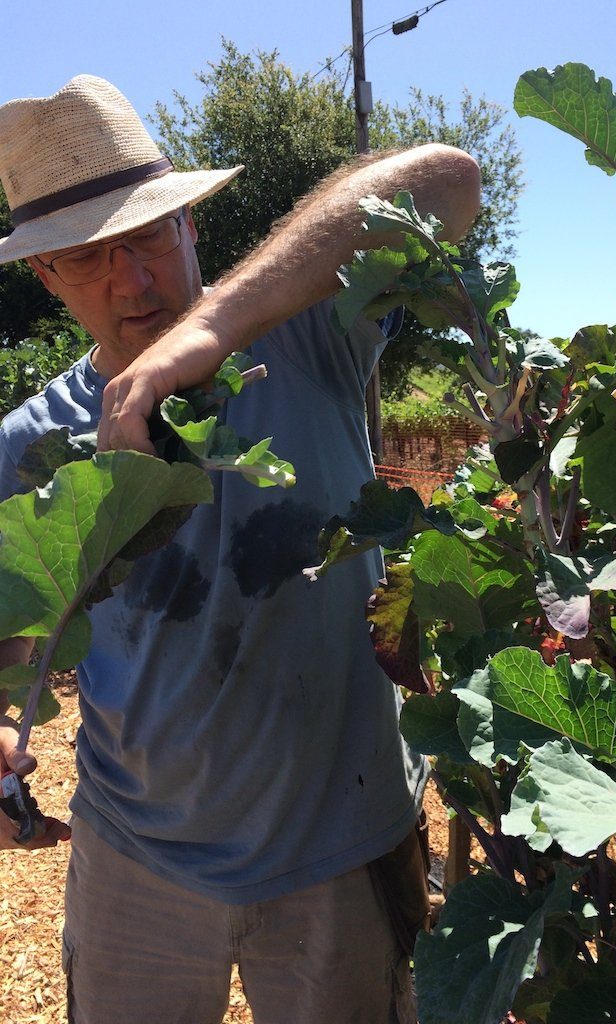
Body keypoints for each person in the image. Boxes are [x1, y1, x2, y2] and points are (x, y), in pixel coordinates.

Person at [0, 75, 480, 1023]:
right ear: (47, 277)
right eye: (90, 260)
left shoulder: (305, 333)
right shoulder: (29, 446)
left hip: (344, 841)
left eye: (146, 237)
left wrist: (211, 330)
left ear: (189, 226)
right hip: (135, 856)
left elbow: (451, 183)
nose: (132, 281)